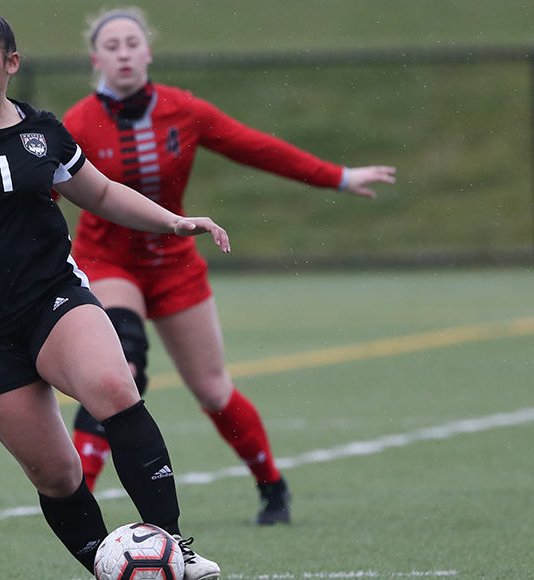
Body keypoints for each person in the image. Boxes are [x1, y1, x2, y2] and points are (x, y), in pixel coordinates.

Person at [0, 6, 228, 580]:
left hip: (52, 299)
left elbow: (101, 193)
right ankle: (111, 568)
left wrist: (173, 222)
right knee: (56, 473)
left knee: (115, 388)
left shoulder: (42, 130)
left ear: (11, 63)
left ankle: (174, 547)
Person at [62, 7, 398, 525]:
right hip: (107, 261)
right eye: (112, 46)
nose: (123, 53)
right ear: (95, 59)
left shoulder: (183, 109)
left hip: (174, 264)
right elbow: (36, 192)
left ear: (148, 52)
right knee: (123, 363)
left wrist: (338, 176)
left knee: (213, 389)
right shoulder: (78, 122)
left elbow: (257, 148)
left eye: (132, 43)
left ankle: (272, 485)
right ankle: (80, 501)